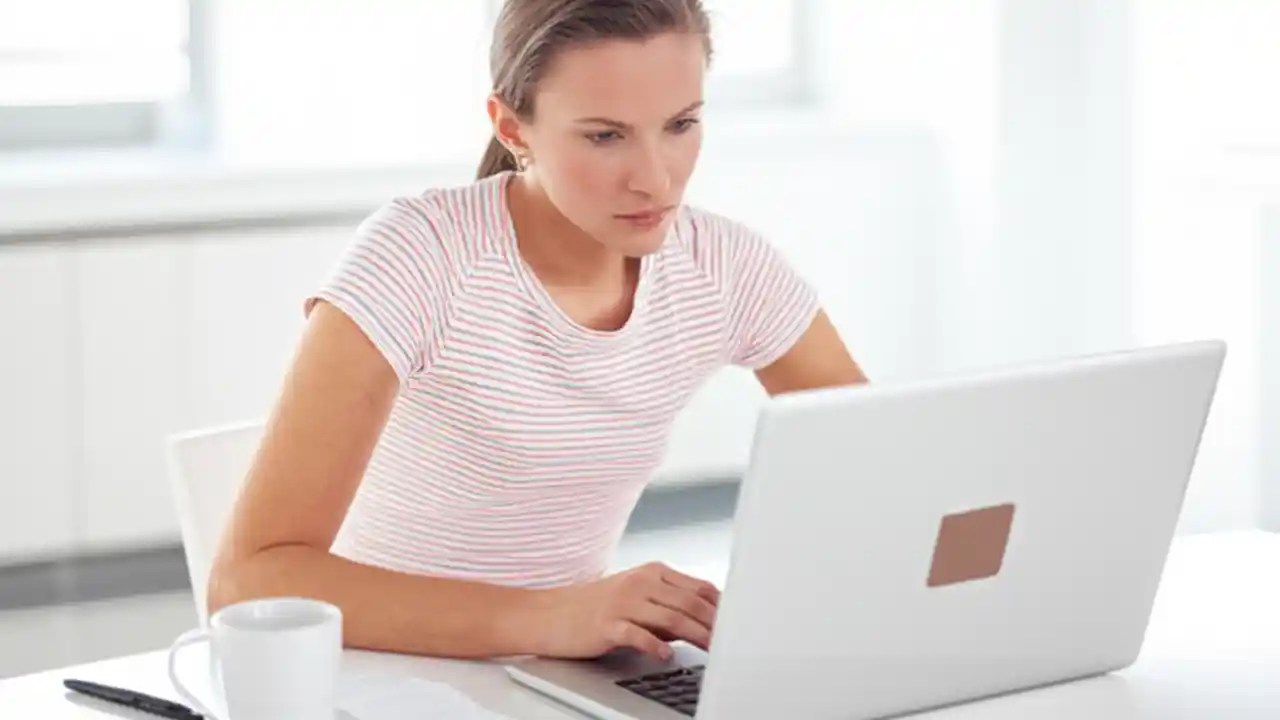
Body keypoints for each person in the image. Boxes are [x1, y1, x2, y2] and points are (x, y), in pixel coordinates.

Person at [207, 0, 867, 664]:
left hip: (552, 677)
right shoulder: (420, 255)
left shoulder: (721, 267)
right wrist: (548, 616)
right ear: (512, 127)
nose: (656, 178)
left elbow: (882, 466)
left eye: (681, 124)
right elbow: (247, 580)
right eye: (605, 136)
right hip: (376, 674)